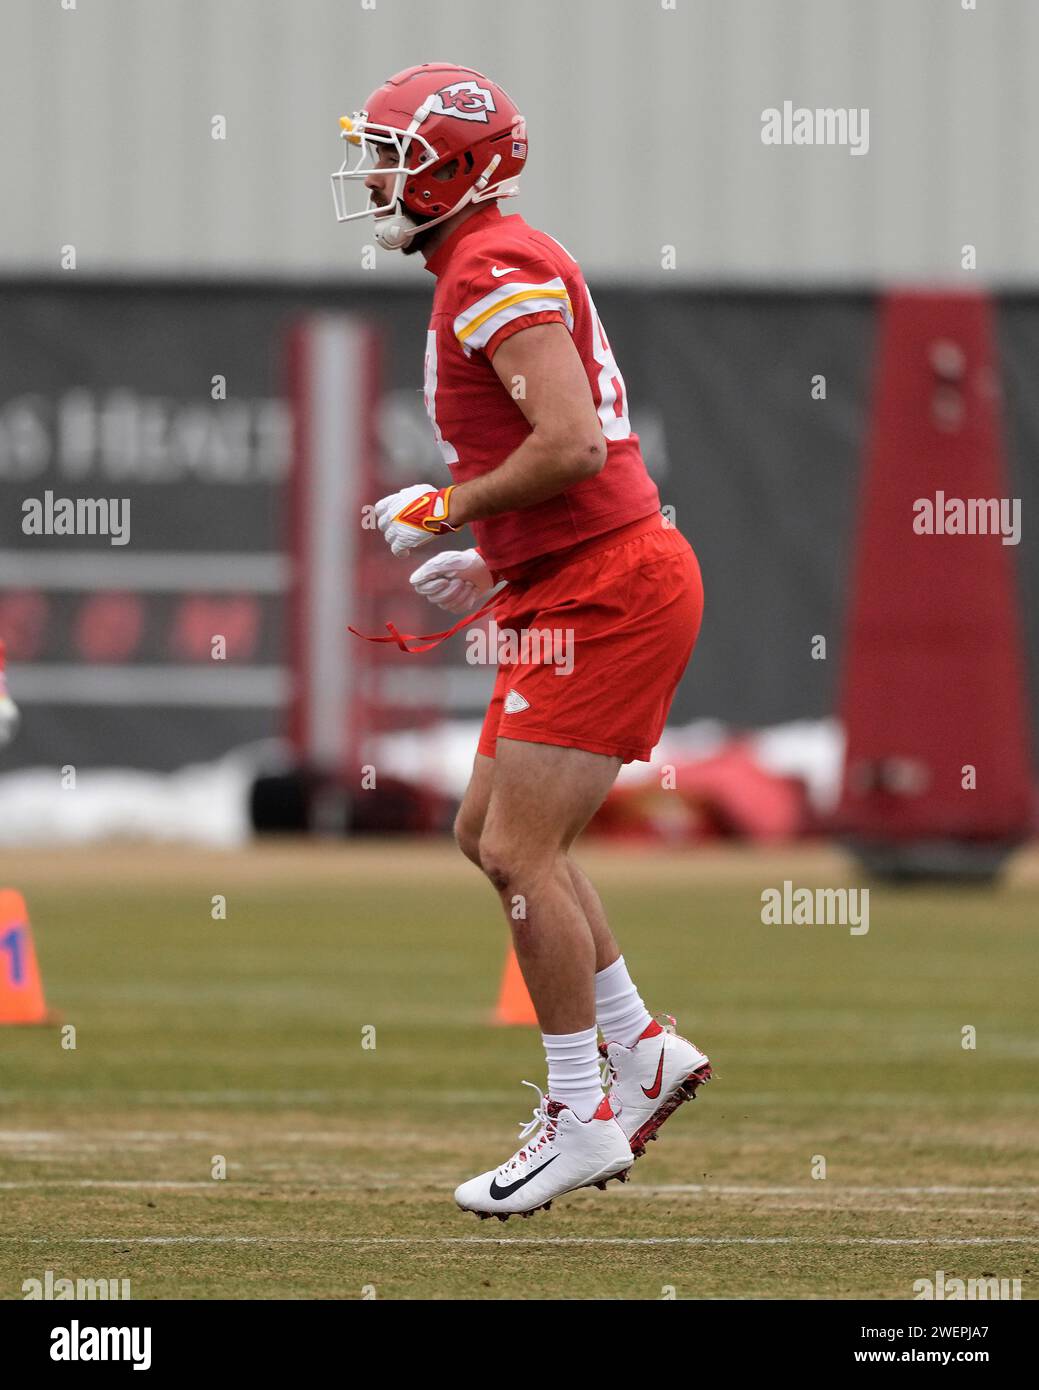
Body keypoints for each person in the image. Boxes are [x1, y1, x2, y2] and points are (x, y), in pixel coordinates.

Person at [333, 63, 711, 1219]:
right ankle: (638, 1048)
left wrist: (448, 508)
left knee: (520, 852)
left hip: (609, 590)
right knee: (483, 834)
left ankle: (583, 1116)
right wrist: (497, 553)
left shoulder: (491, 267)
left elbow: (573, 445)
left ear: (456, 167)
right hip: (566, 578)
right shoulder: (484, 262)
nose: (374, 176)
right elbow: (570, 455)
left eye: (393, 154)